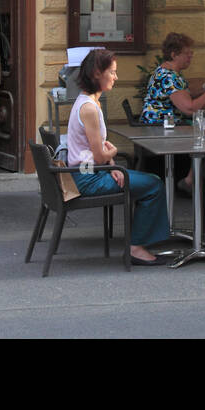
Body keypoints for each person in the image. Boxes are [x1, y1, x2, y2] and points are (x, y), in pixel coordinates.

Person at [66, 48, 170, 266]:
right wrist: (111, 155)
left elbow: (98, 152)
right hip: (89, 179)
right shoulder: (90, 109)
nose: (116, 77)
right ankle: (136, 247)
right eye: (112, 72)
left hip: (88, 172)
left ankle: (140, 241)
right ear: (97, 73)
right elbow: (100, 154)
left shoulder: (86, 102)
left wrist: (112, 164)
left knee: (149, 181)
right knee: (154, 185)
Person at [141, 32, 205, 193]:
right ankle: (191, 180)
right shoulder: (169, 77)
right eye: (187, 53)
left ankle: (197, 178)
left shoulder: (166, 72)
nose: (190, 56)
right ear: (174, 54)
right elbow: (189, 108)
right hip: (162, 129)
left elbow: (184, 95)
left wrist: (204, 89)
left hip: (163, 125)